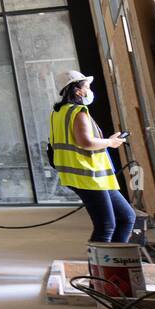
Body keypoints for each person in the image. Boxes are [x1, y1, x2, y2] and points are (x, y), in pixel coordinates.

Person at [49, 70, 134, 243]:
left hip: (91, 176)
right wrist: (110, 143)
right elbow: (86, 142)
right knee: (106, 226)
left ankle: (115, 263)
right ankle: (101, 268)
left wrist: (106, 141)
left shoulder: (58, 113)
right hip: (88, 176)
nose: (89, 90)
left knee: (126, 218)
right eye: (86, 86)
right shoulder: (78, 112)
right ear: (77, 90)